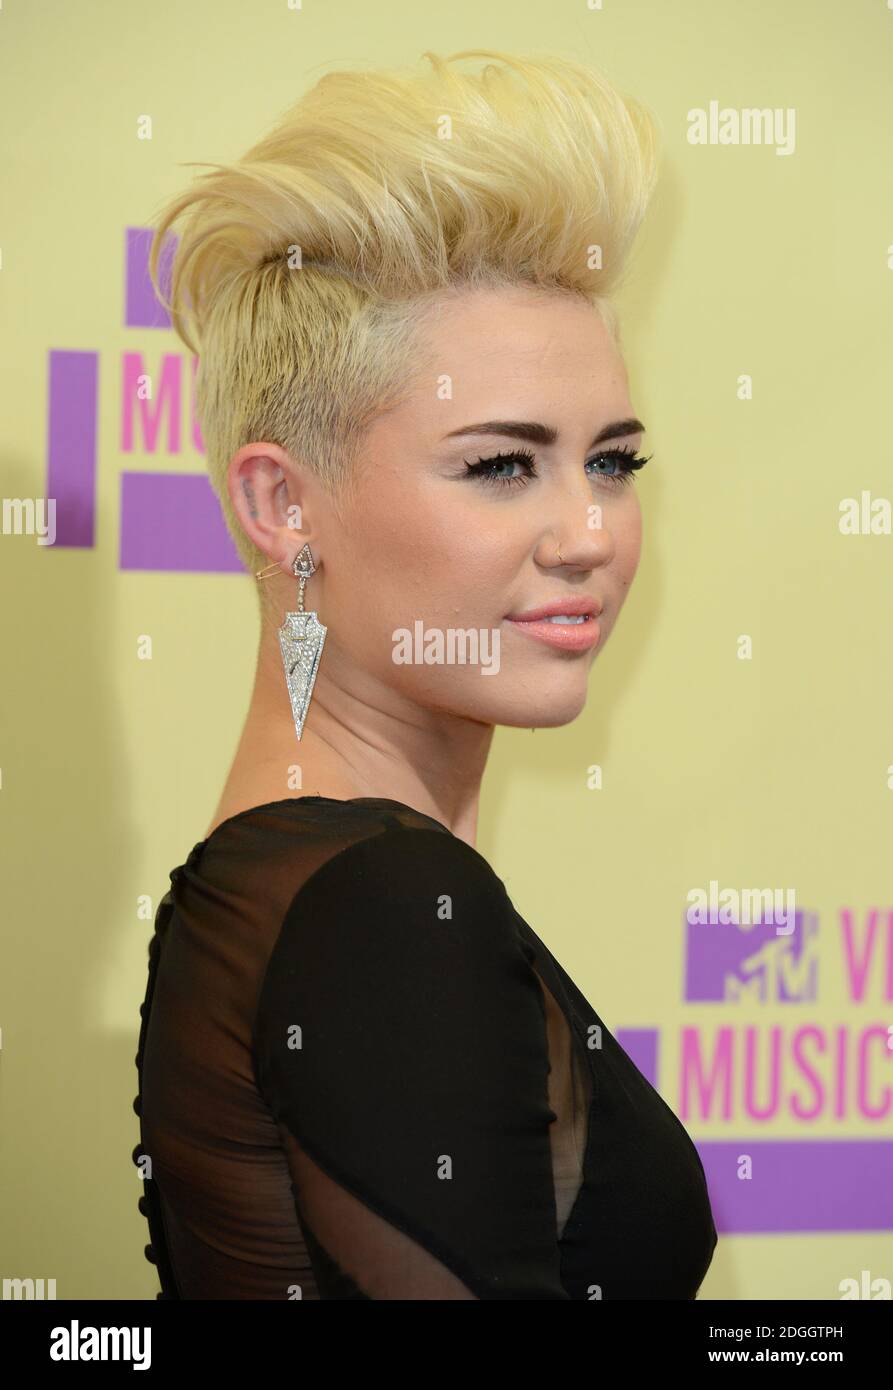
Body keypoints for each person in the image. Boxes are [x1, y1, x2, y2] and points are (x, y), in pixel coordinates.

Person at [134, 48, 718, 1299]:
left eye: (611, 461)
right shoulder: (383, 906)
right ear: (282, 503)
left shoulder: (293, 883)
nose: (589, 534)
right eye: (502, 464)